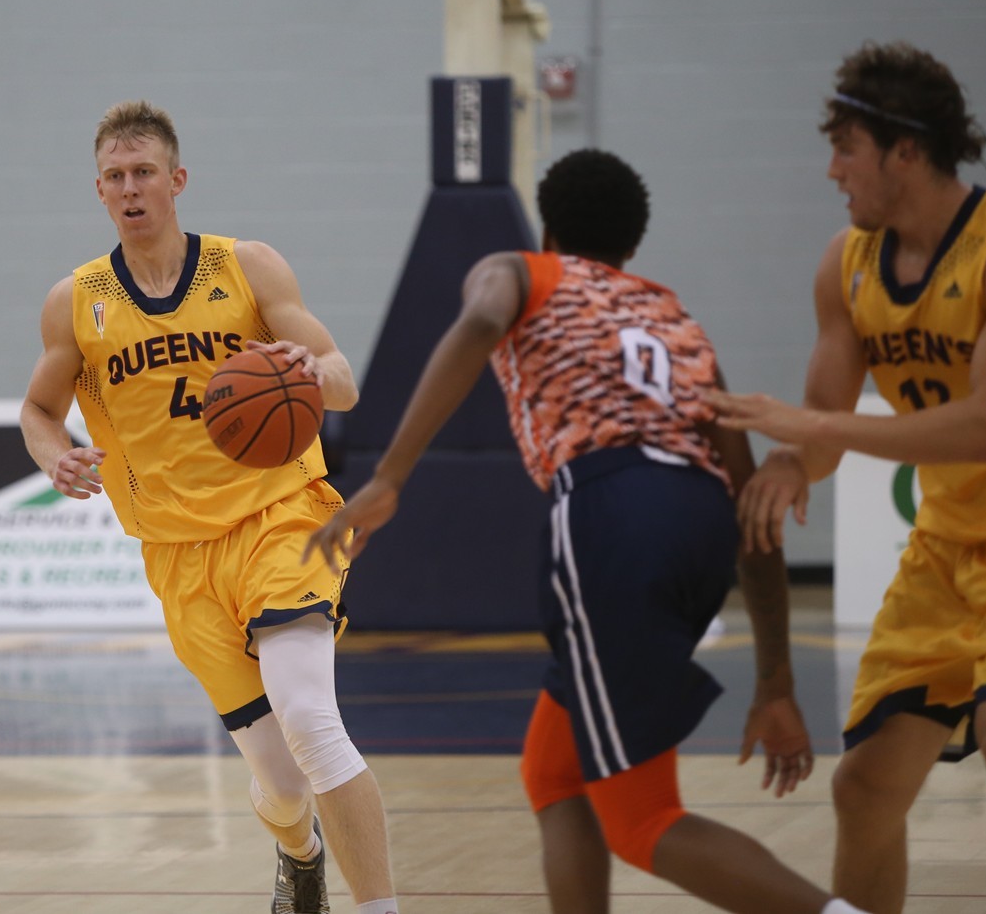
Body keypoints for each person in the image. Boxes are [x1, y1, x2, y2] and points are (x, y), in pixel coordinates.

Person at [304, 149, 867, 914]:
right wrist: (775, 681)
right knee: (554, 771)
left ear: (548, 227)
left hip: (612, 509)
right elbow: (748, 505)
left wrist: (391, 476)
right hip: (701, 520)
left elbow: (477, 321)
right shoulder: (674, 316)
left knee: (642, 821)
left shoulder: (521, 270)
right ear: (632, 246)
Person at [20, 100, 400, 914]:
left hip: (284, 516)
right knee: (283, 779)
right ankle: (298, 852)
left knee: (309, 713)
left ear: (176, 179)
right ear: (99, 190)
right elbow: (37, 412)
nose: (131, 188)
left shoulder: (247, 267)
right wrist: (57, 458)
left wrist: (310, 367)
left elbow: (343, 378)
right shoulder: (75, 302)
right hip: (179, 555)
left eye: (145, 172)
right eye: (116, 177)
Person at [708, 40, 986, 914]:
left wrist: (819, 429)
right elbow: (823, 420)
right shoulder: (847, 264)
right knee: (865, 787)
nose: (834, 171)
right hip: (945, 551)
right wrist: (792, 466)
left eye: (848, 149)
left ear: (905, 151)